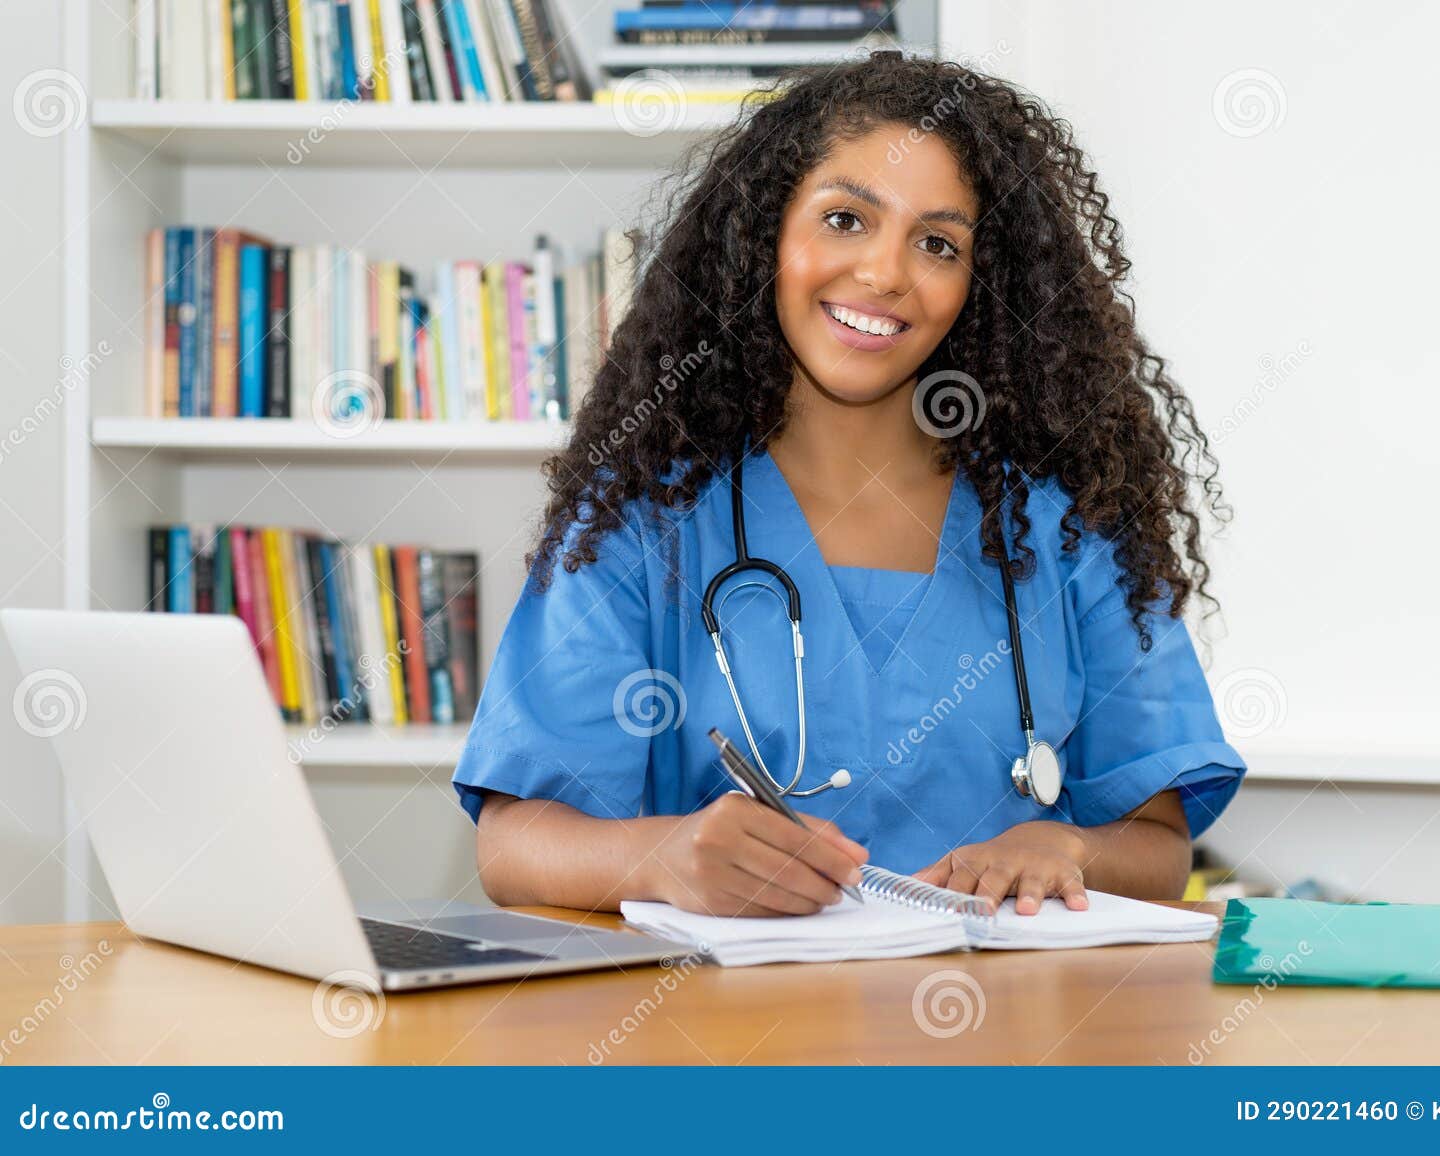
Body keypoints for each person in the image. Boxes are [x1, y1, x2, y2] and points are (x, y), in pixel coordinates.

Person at [453, 51, 1245, 919]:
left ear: (982, 286)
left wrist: (1069, 847)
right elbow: (513, 840)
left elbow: (1160, 848)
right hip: (731, 1044)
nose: (884, 273)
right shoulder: (646, 521)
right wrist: (660, 856)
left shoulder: (1067, 532)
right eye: (844, 219)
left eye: (938, 243)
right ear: (767, 236)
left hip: (1010, 1040)